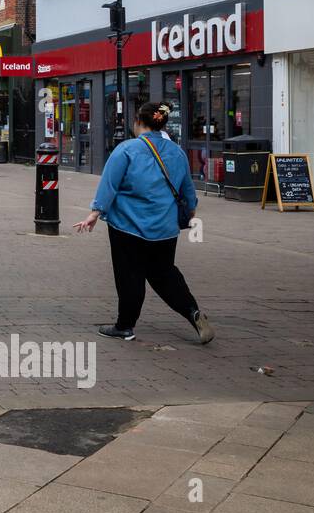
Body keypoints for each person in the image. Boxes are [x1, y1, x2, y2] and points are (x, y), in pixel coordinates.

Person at [75, 102, 214, 344]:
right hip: (164, 229)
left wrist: (95, 213)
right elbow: (188, 193)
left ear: (139, 121)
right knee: (165, 274)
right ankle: (193, 312)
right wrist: (190, 214)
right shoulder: (177, 152)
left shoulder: (127, 149)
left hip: (127, 226)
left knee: (130, 275)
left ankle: (125, 326)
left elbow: (110, 184)